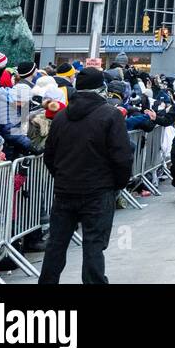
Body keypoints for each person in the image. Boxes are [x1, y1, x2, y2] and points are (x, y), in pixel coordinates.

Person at [38, 67, 134, 284]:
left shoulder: (61, 117)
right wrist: (117, 184)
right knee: (93, 244)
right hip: (98, 190)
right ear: (102, 88)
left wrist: (61, 176)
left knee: (57, 244)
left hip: (66, 189)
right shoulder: (110, 115)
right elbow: (122, 156)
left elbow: (50, 154)